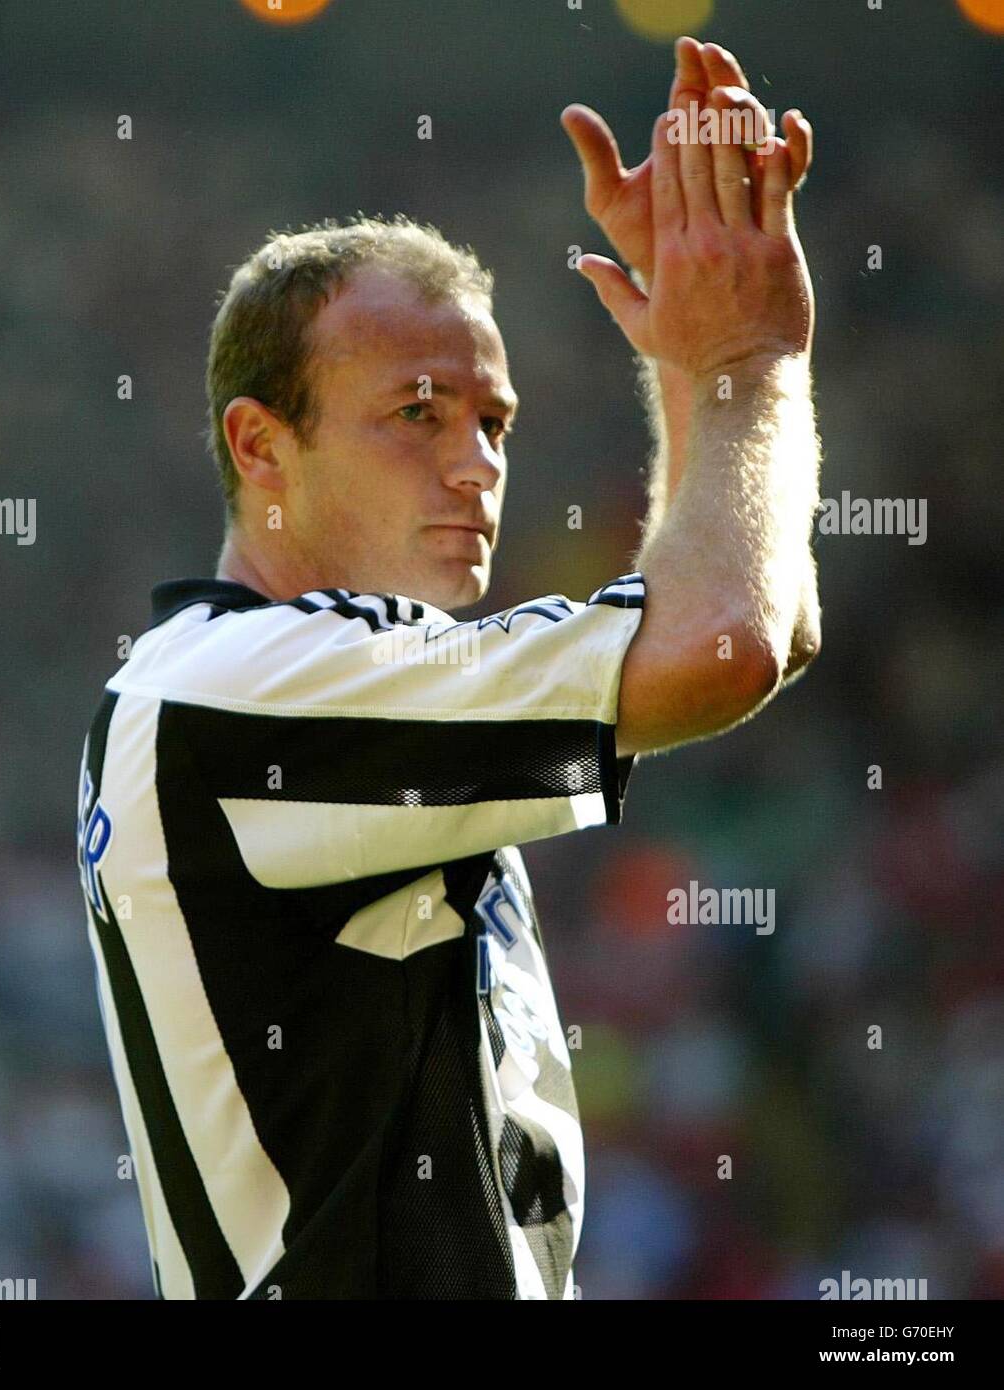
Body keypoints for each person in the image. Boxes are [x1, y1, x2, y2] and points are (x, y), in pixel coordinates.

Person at [75, 37, 821, 1299]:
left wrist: (701, 367)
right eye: (417, 413)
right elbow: (722, 640)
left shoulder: (329, 697)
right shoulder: (236, 685)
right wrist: (743, 366)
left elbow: (764, 624)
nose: (478, 463)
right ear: (261, 448)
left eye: (495, 422)